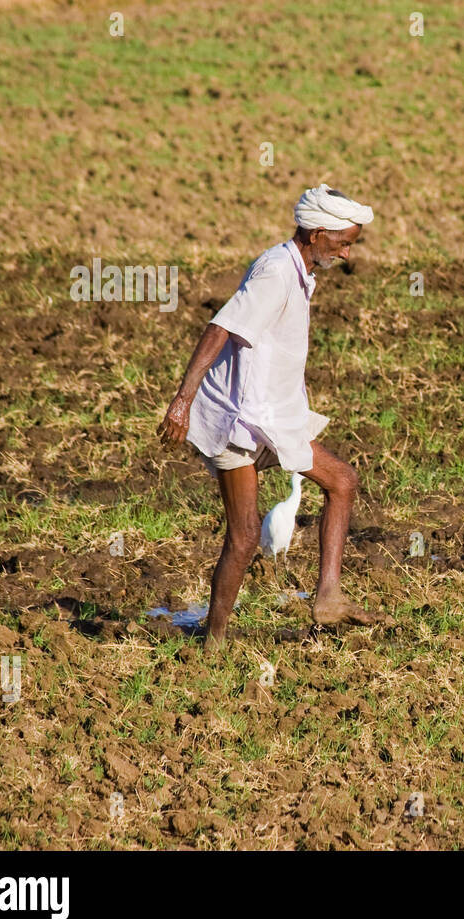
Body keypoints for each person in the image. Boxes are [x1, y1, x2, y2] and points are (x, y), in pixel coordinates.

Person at [157, 184, 371, 646]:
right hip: (236, 419)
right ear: (316, 234)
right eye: (344, 242)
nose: (349, 254)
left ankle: (328, 597)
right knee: (245, 535)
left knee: (343, 481)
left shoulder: (300, 270)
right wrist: (182, 400)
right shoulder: (276, 272)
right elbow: (220, 327)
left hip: (271, 415)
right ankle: (213, 640)